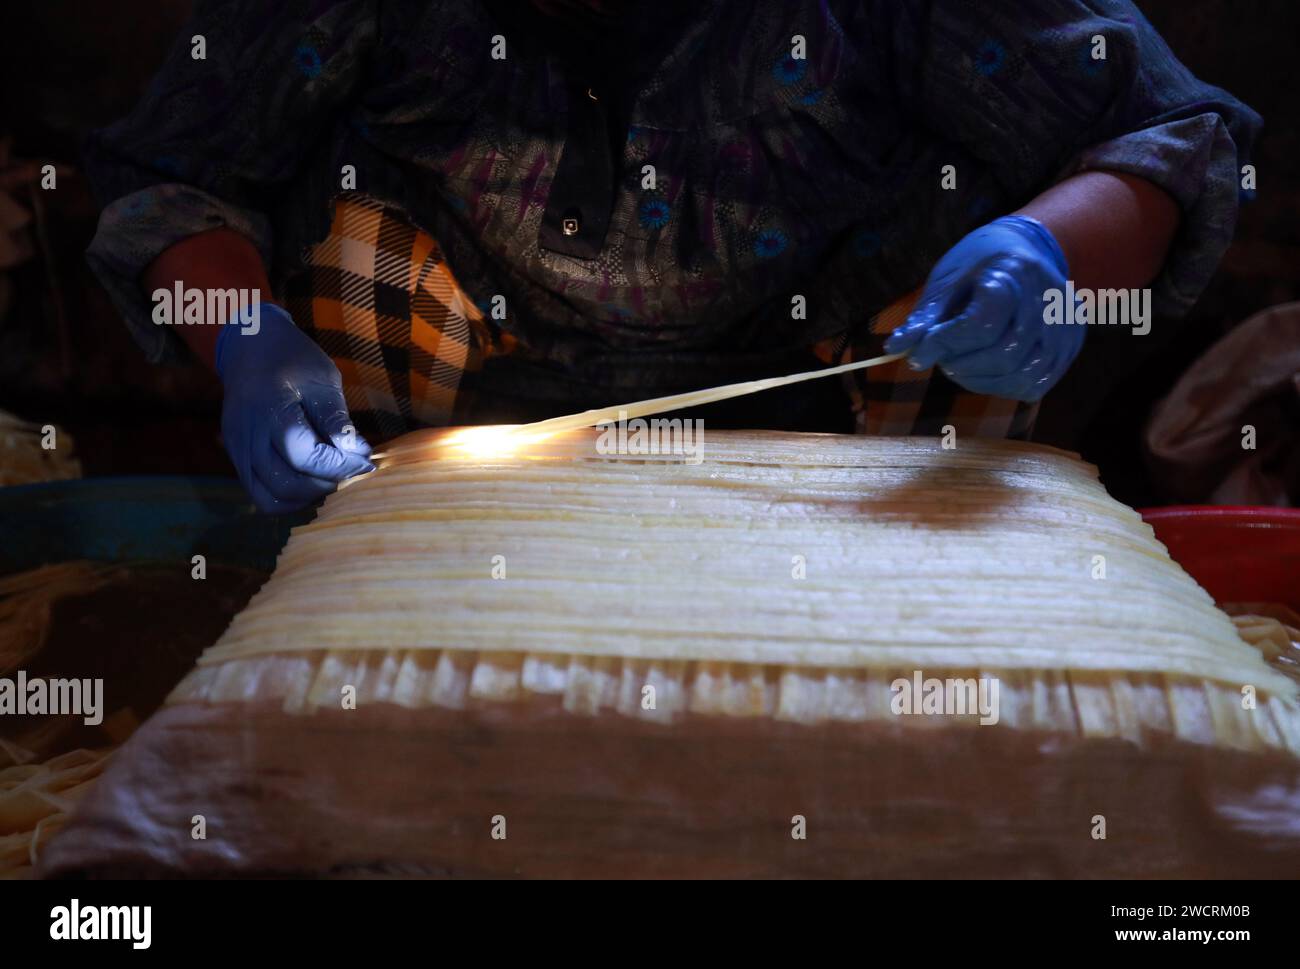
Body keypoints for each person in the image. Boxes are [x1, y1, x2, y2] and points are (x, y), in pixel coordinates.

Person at [83, 0, 1258, 512]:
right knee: (345, 245)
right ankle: (384, 583)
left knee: (980, 224)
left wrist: (1044, 248)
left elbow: (1162, 134)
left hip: (847, 369)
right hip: (453, 373)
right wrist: (242, 333)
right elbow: (177, 167)